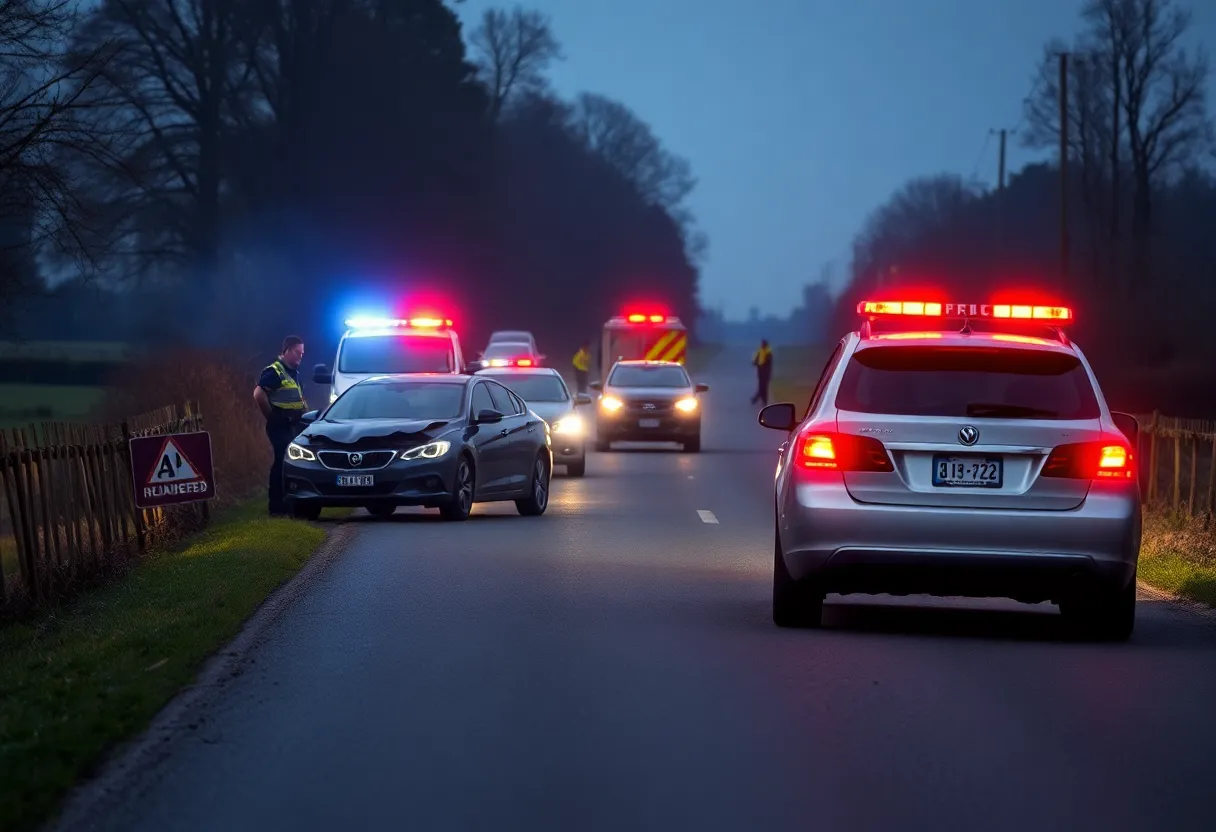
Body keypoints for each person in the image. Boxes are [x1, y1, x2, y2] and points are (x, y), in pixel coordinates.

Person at [254, 336, 308, 516]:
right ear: (286, 350)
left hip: (292, 425)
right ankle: (276, 508)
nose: (300, 356)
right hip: (280, 425)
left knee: (291, 463)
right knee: (281, 463)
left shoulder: (294, 373)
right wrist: (272, 416)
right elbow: (258, 394)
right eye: (297, 352)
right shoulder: (276, 371)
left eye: (302, 353)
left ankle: (290, 504)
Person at [751, 339, 773, 406]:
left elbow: (768, 361)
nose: (762, 345)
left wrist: (757, 363)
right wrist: (756, 363)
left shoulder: (768, 352)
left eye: (763, 344)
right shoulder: (761, 350)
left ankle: (757, 399)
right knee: (762, 386)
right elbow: (755, 360)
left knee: (763, 386)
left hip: (765, 371)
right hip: (761, 371)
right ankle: (763, 401)